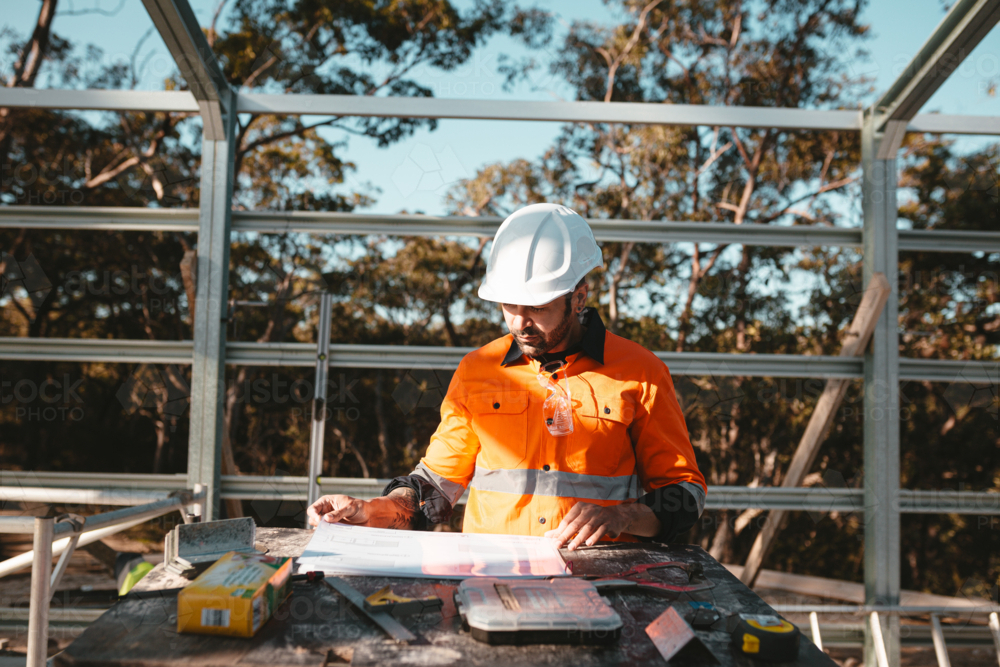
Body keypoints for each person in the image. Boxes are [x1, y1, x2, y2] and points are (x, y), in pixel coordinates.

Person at [307, 203, 706, 550]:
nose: (519, 322)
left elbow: (684, 495)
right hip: (491, 575)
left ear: (579, 296)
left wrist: (625, 516)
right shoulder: (477, 370)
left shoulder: (642, 373)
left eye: (537, 307)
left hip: (600, 577)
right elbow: (433, 490)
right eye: (508, 305)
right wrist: (370, 510)